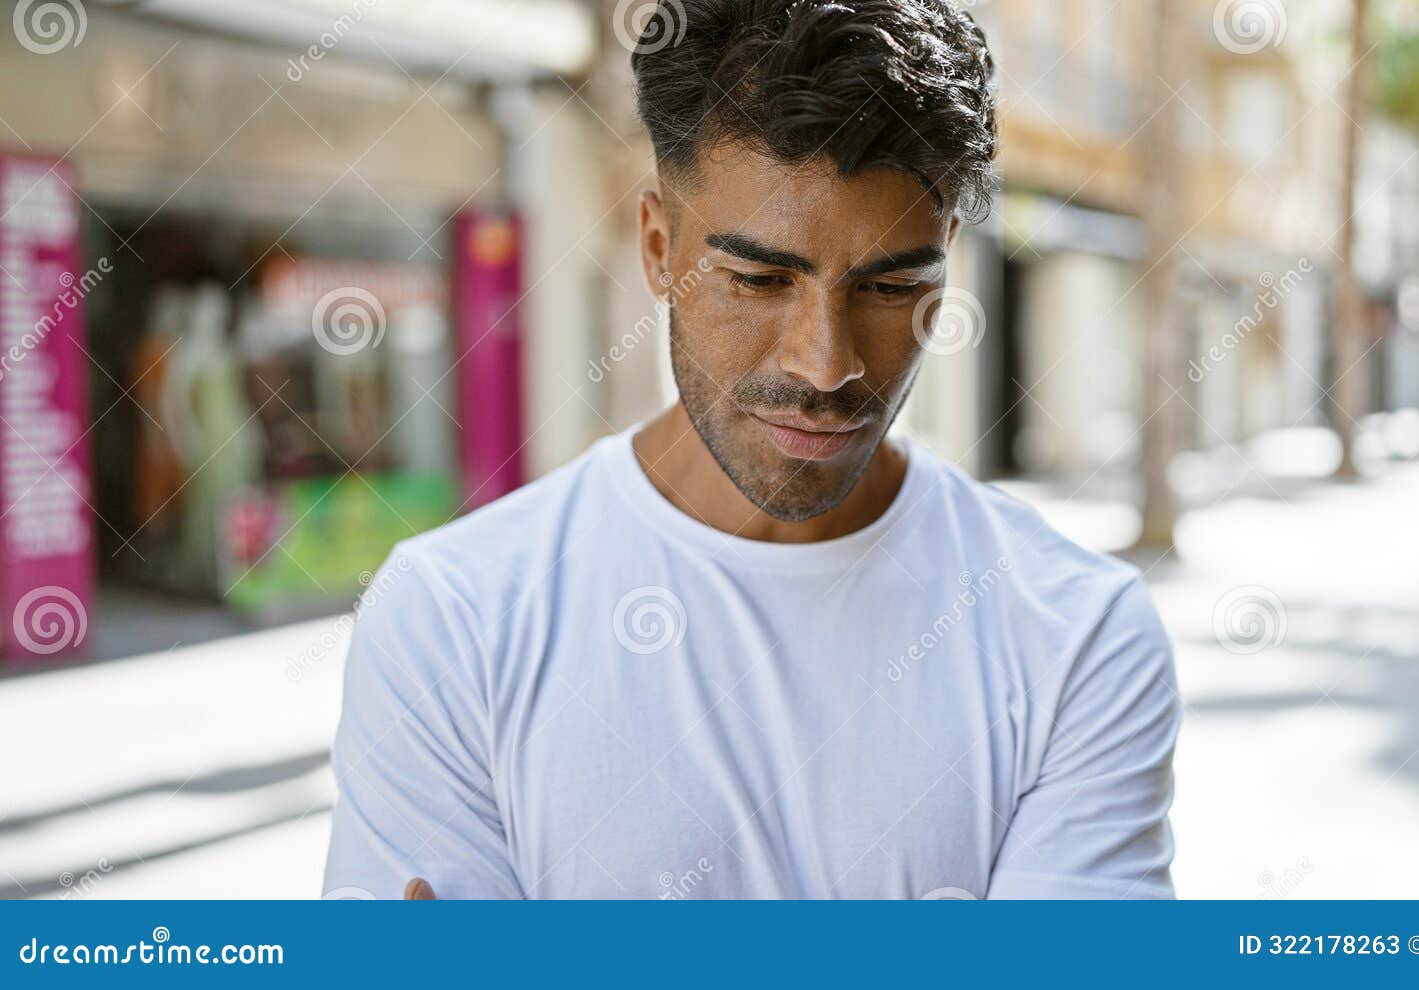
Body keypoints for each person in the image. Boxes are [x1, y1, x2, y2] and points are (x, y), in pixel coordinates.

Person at [323, 0, 1180, 900]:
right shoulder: (453, 620)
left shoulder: (1078, 636)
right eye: (761, 280)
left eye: (891, 288)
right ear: (660, 248)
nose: (827, 363)